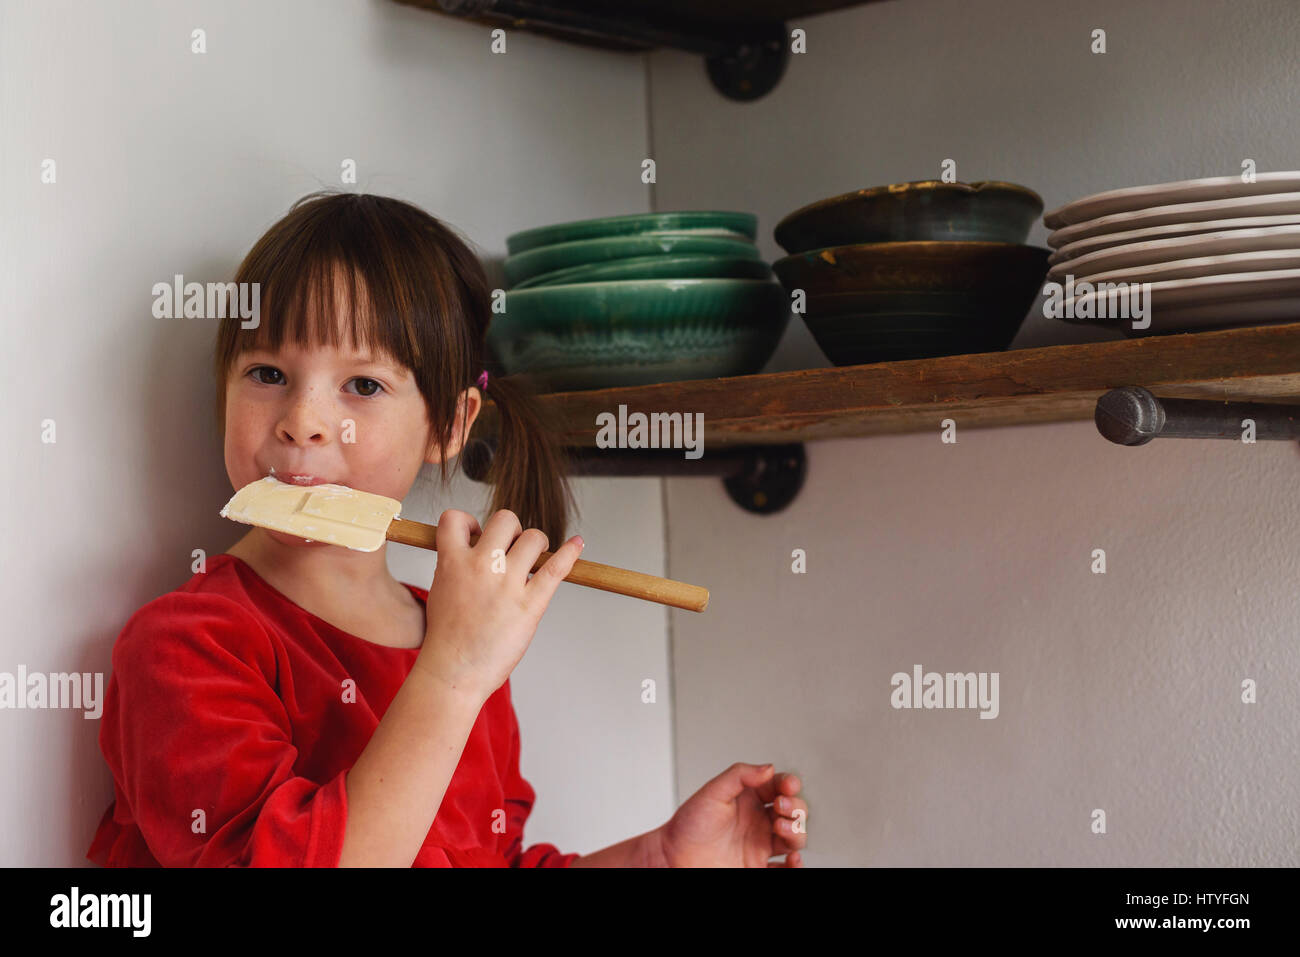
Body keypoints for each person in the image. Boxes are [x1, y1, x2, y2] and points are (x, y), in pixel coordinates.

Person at [86, 191, 807, 867]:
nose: (302, 419)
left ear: (451, 424)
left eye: (362, 385)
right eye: (268, 371)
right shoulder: (183, 647)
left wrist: (661, 856)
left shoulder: (455, 639)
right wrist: (454, 677)